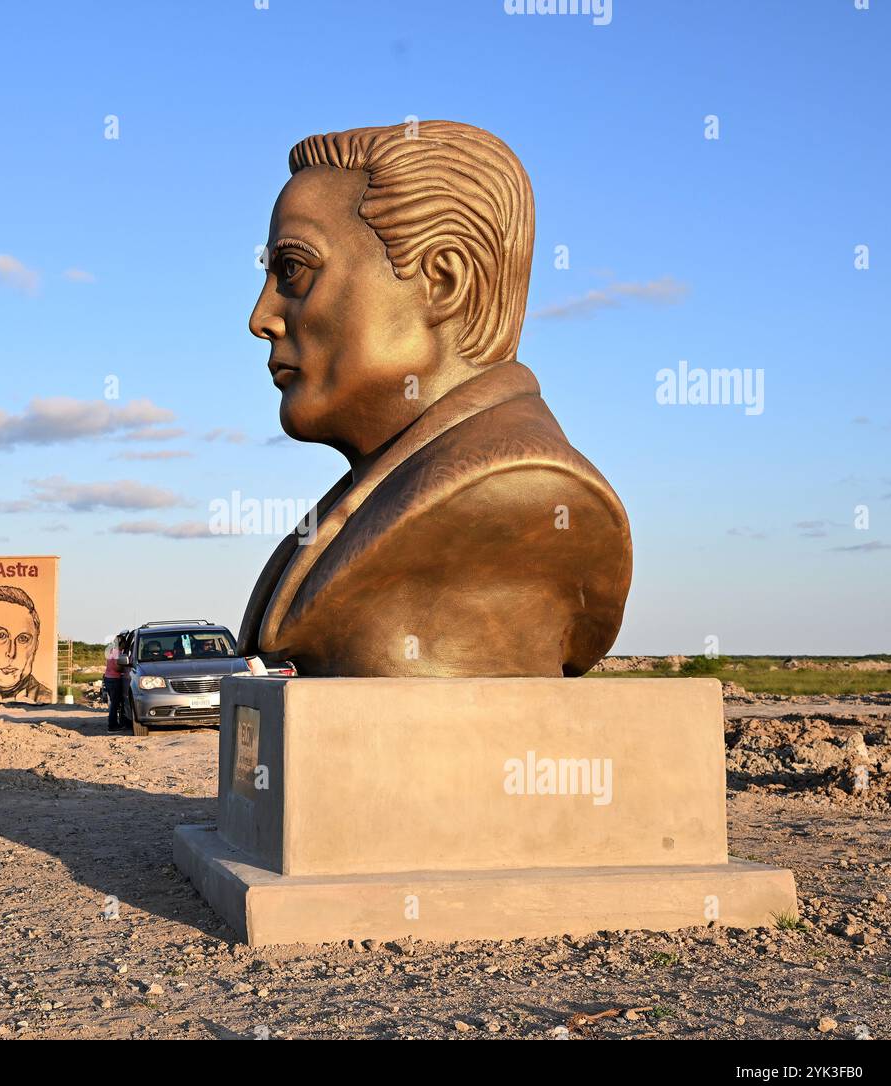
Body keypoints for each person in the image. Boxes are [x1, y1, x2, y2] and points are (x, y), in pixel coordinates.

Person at [240, 120, 632, 678]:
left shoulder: (520, 489)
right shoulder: (386, 485)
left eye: (295, 270)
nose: (262, 318)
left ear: (443, 281)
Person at [102, 638, 127, 732]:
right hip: (114, 679)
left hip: (108, 678)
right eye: (124, 643)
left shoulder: (111, 651)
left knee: (114, 703)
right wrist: (125, 668)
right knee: (115, 704)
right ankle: (112, 726)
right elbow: (117, 667)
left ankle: (116, 724)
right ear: (121, 643)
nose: (125, 644)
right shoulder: (117, 652)